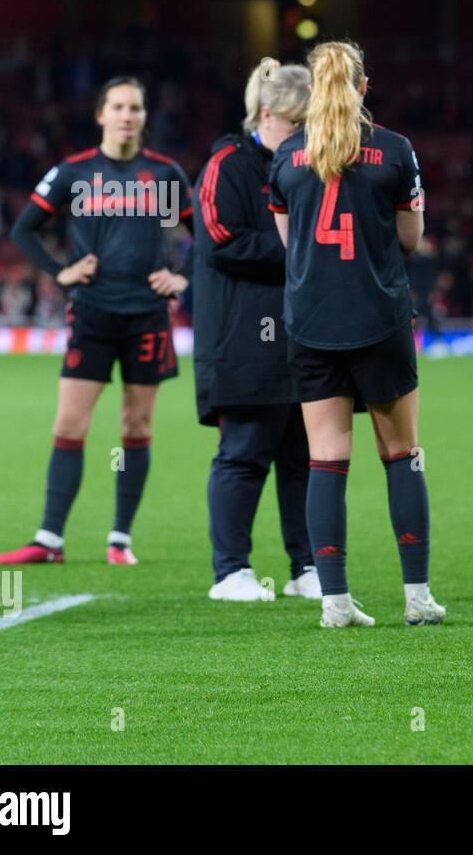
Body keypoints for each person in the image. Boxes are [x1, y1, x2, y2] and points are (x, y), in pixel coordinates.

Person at [268, 41, 445, 628]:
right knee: (402, 456)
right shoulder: (395, 150)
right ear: (363, 87)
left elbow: (290, 244)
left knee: (326, 460)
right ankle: (417, 597)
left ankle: (335, 602)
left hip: (312, 324)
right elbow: (411, 238)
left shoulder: (288, 156)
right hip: (380, 320)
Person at [0, 76, 193, 566]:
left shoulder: (165, 174)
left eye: (137, 108)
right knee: (69, 423)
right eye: (119, 107)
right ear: (101, 115)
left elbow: (206, 235)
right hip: (92, 312)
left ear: (145, 117)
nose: (128, 115)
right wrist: (60, 273)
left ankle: (120, 539)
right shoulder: (75, 172)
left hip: (147, 315)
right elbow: (24, 229)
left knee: (137, 424)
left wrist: (182, 276)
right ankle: (49, 540)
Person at [193, 58, 322, 602]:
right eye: (296, 122)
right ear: (266, 112)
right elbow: (222, 242)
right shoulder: (226, 162)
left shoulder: (306, 166)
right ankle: (231, 571)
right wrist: (302, 250)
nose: (304, 133)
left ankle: (306, 566)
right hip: (240, 335)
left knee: (302, 454)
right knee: (244, 452)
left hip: (300, 332)